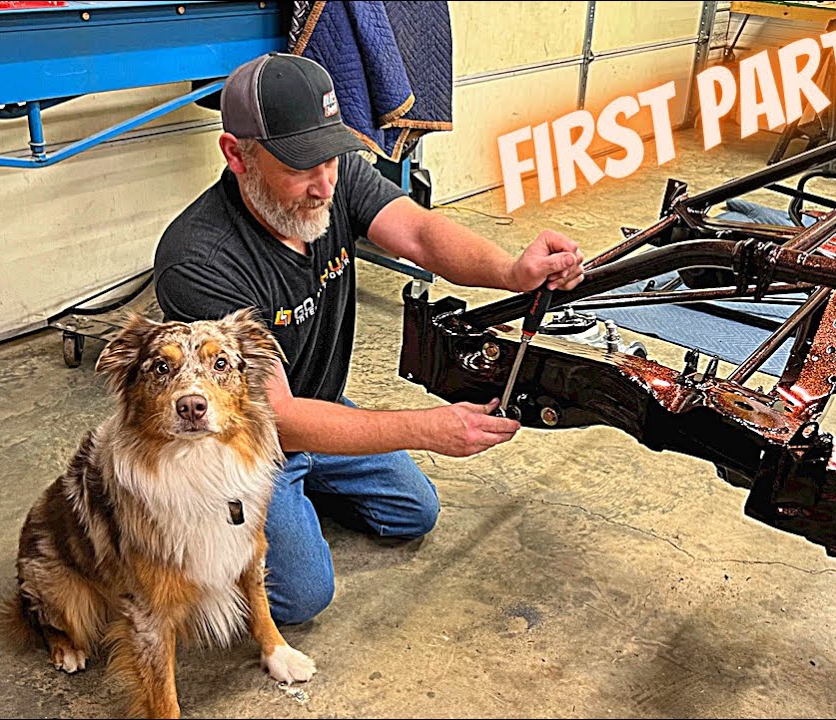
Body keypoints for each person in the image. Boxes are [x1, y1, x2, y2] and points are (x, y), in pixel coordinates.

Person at [153, 52, 585, 625]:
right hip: (245, 445)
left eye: (330, 155)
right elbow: (278, 416)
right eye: (300, 165)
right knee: (302, 597)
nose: (323, 185)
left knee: (414, 512)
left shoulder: (336, 176)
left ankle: (293, 502)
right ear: (237, 155)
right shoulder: (200, 262)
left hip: (320, 408)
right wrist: (427, 428)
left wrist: (512, 271)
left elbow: (422, 235)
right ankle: (205, 523)